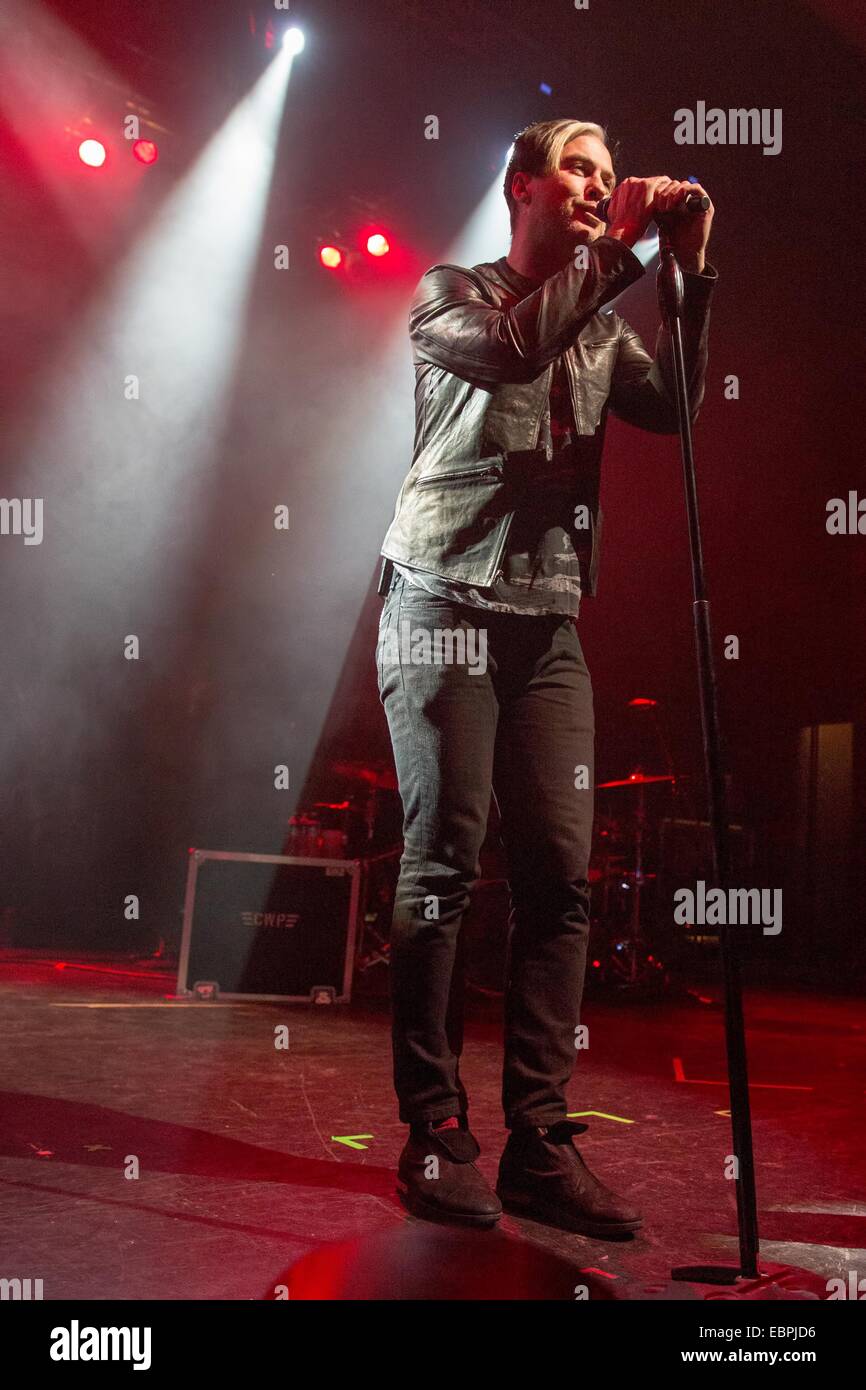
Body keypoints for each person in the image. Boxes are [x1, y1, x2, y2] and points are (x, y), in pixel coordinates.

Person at [375, 118, 717, 1234]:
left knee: (560, 874)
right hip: (440, 604)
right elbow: (516, 347)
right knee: (443, 858)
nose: (598, 185)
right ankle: (432, 1130)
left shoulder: (600, 326)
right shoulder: (449, 293)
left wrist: (687, 267)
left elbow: (673, 409)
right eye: (579, 168)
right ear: (521, 183)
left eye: (611, 178)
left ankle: (536, 1138)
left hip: (546, 623)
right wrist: (616, 256)